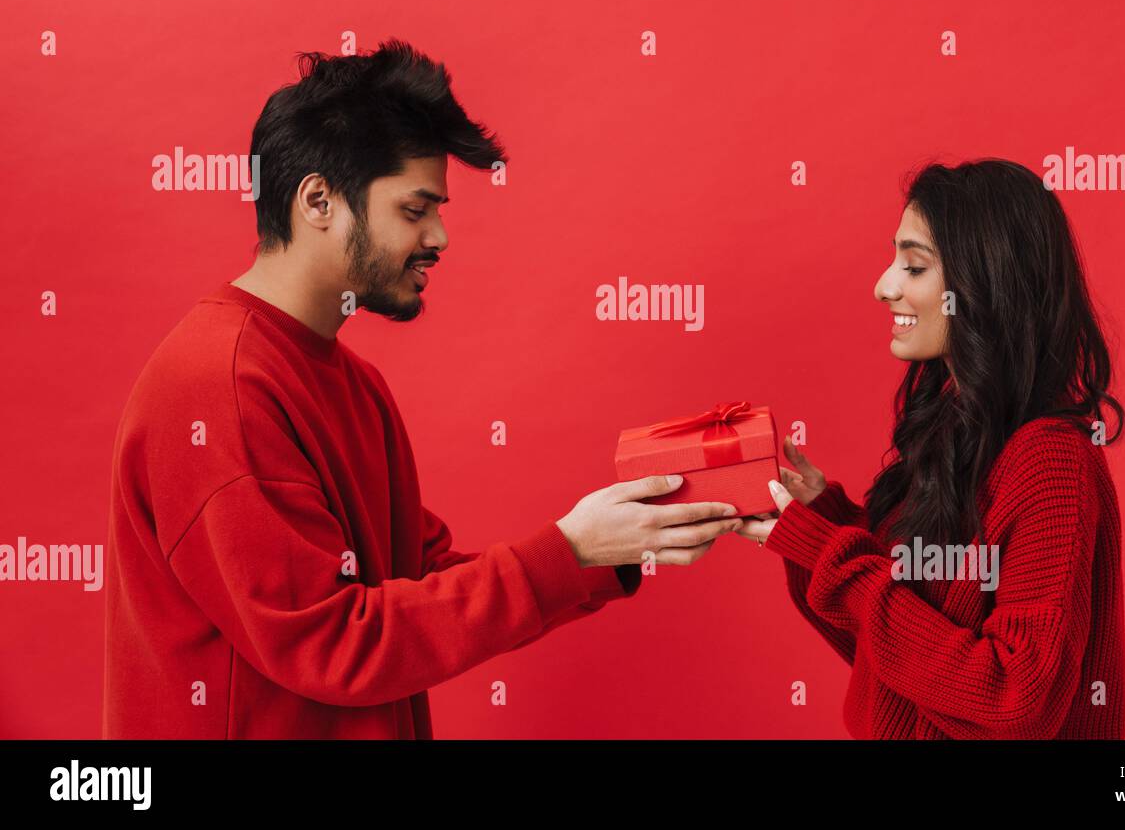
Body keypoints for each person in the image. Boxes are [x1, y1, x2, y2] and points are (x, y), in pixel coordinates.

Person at [103, 39, 742, 739]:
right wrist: (572, 549)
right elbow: (334, 642)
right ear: (318, 199)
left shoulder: (355, 384)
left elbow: (420, 580)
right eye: (415, 209)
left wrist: (608, 544)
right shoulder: (216, 388)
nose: (440, 234)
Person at [738, 159, 1125, 739]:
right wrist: (820, 520)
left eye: (914, 266)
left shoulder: (1050, 462)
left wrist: (832, 555)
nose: (884, 285)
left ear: (985, 283)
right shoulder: (957, 434)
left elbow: (1015, 700)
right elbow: (904, 667)